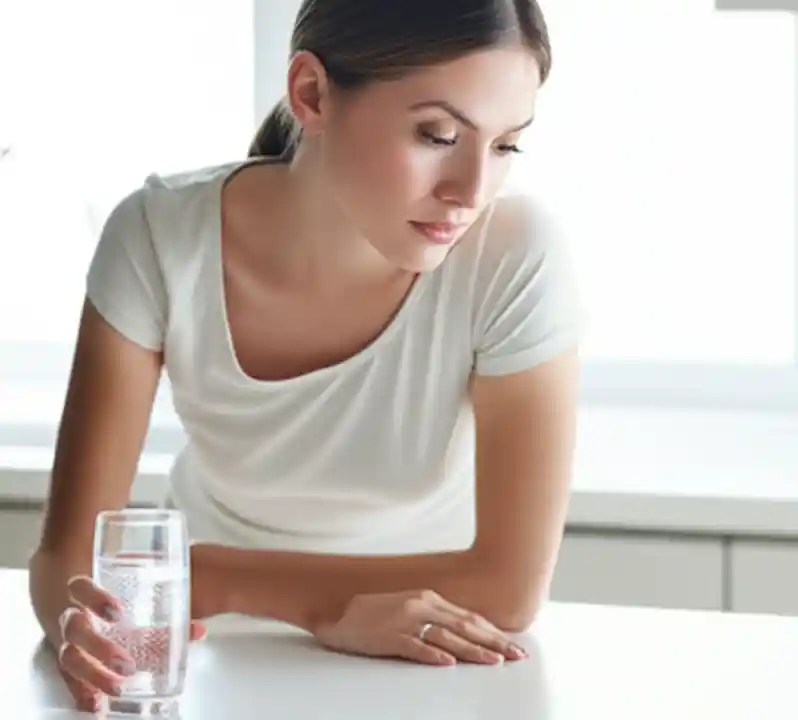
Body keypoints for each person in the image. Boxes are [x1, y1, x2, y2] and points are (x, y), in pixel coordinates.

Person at [27, 0, 584, 713]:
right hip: (210, 654)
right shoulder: (160, 238)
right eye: (437, 134)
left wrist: (207, 571)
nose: (471, 190)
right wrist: (88, 625)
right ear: (312, 95)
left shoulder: (513, 255)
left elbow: (509, 587)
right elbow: (68, 560)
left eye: (505, 146)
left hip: (431, 657)